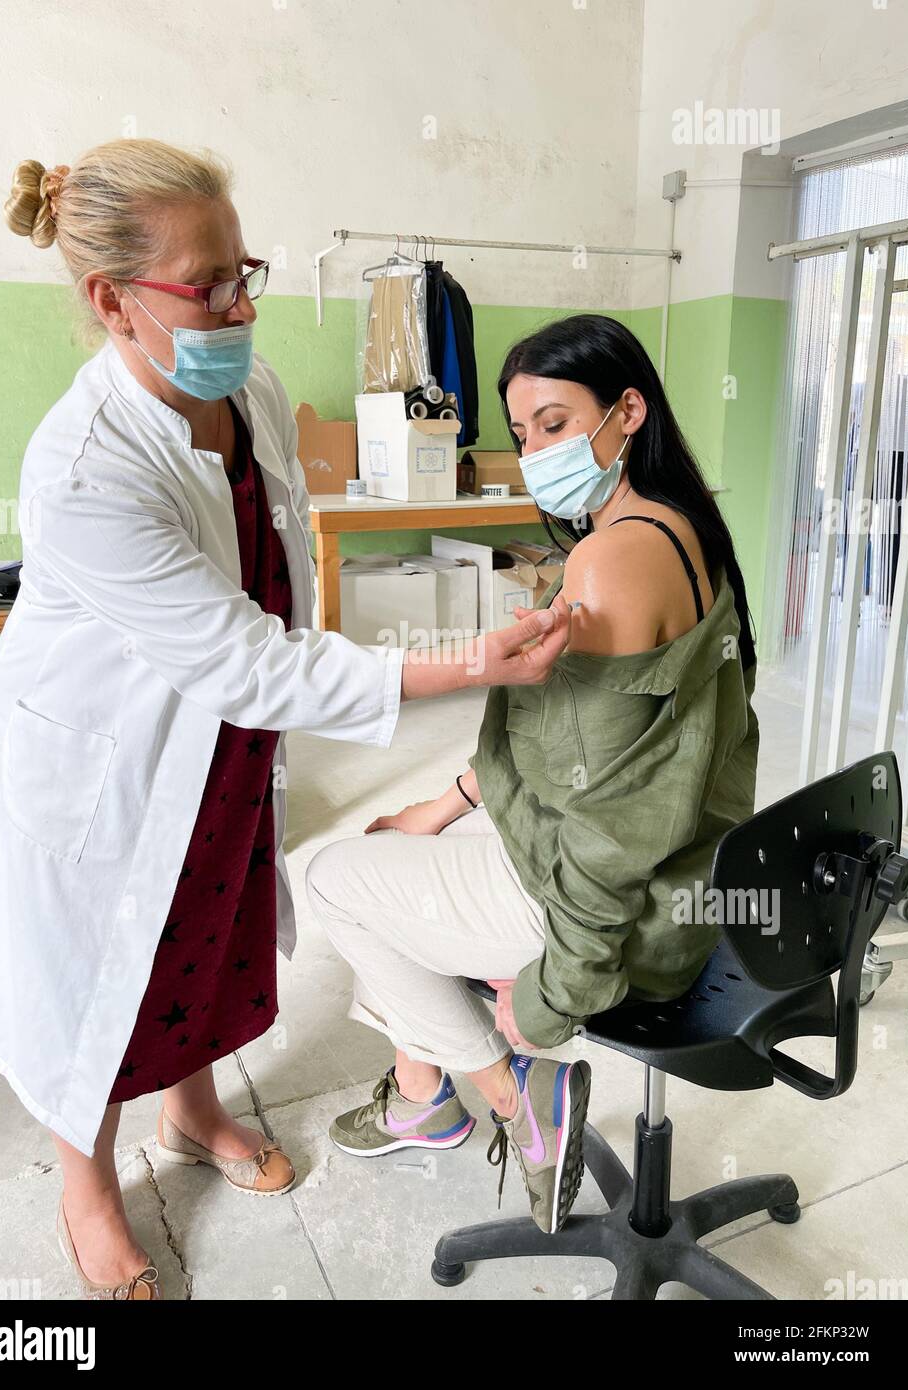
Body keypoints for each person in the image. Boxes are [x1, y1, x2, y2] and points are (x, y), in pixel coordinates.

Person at [0, 139, 570, 1300]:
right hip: (112, 759)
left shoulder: (240, 388)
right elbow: (248, 659)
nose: (243, 305)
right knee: (102, 972)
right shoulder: (85, 465)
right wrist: (461, 664)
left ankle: (193, 1111)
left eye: (243, 270)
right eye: (211, 285)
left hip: (227, 748)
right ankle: (86, 1188)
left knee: (210, 935)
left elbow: (277, 578)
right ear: (111, 300)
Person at [306, 314, 760, 1237]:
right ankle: (421, 1090)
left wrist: (557, 991)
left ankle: (511, 1096)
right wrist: (444, 804)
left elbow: (614, 825)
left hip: (625, 913)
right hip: (690, 876)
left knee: (327, 878)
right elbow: (574, 753)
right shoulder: (683, 524)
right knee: (400, 844)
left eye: (555, 424)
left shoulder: (612, 559)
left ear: (626, 410)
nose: (536, 450)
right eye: (521, 434)